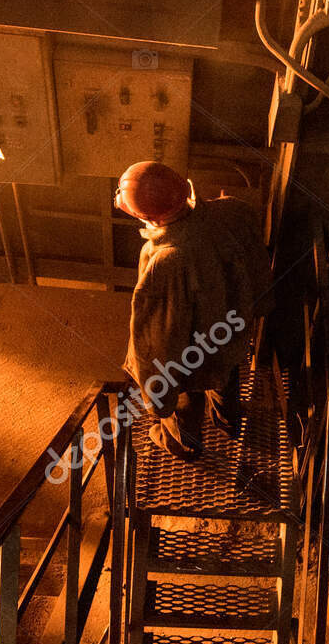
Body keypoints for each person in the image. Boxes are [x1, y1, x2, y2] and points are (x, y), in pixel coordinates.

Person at [115, 161, 273, 461]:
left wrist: (158, 395)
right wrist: (260, 306)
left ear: (144, 216)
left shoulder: (166, 260)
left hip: (193, 353)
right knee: (226, 381)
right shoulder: (233, 210)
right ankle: (229, 423)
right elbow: (257, 263)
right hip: (232, 333)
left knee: (185, 405)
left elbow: (157, 340)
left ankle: (184, 445)